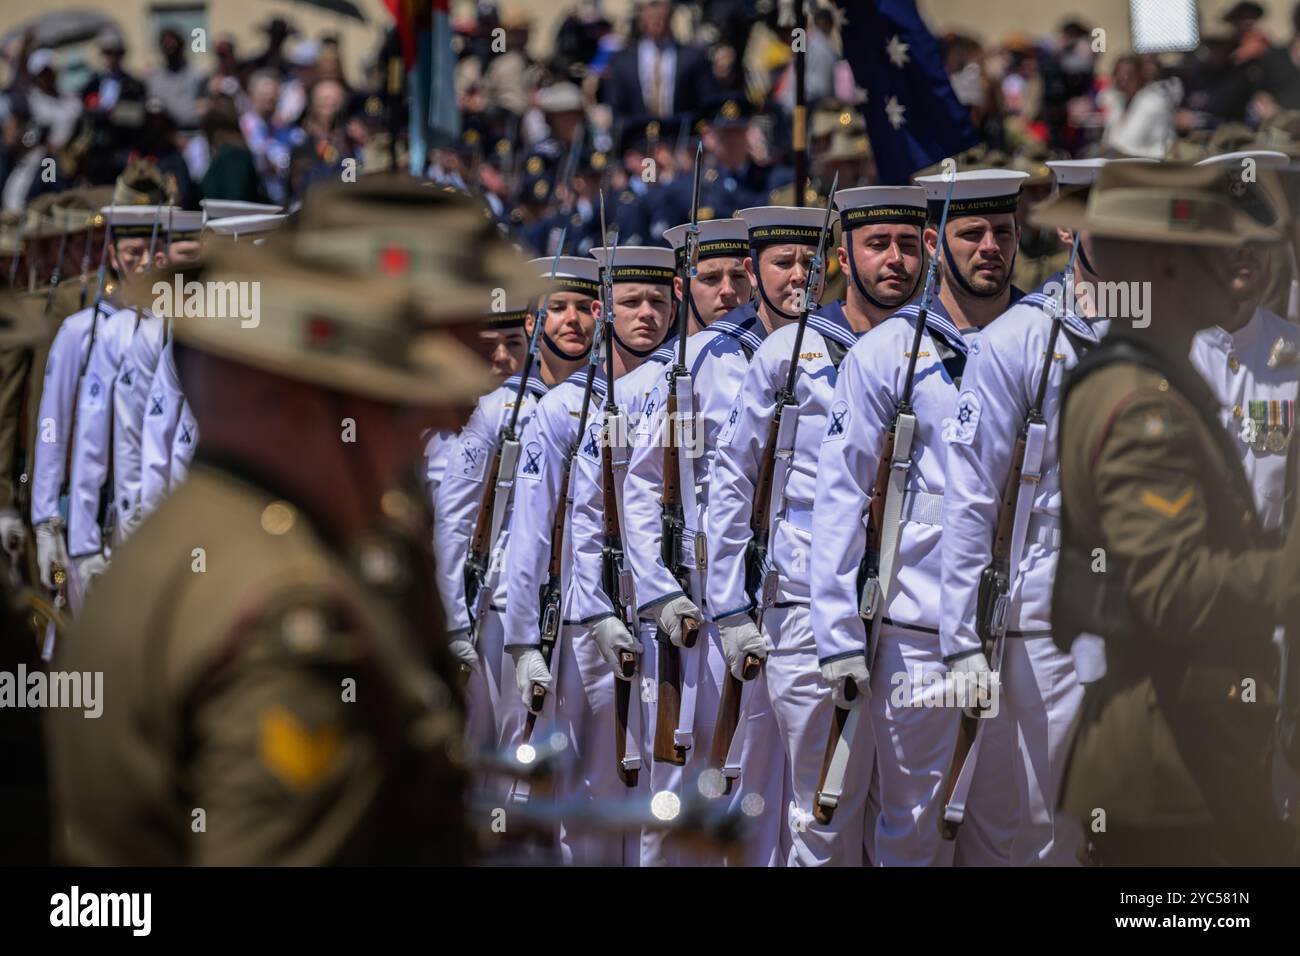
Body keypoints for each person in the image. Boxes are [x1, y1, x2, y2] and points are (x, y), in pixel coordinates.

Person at [43, 180, 534, 865]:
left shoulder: (210, 535)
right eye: (398, 400)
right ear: (304, 395)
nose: (441, 423)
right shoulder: (288, 608)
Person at [1037, 159, 1300, 866]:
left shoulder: (1148, 376)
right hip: (1172, 761)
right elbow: (1173, 588)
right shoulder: (1142, 402)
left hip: (1192, 746)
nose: (1237, 266)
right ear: (1169, 269)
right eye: (1212, 251)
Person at [811, 170, 1030, 867]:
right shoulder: (885, 356)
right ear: (939, 243)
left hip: (1024, 627)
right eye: (972, 233)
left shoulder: (1046, 344)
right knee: (913, 831)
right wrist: (838, 634)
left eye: (1002, 232)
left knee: (1014, 833)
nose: (989, 247)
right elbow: (840, 497)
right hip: (919, 627)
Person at [709, 187, 926, 866]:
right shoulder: (789, 354)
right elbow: (734, 480)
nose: (895, 259)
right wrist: (729, 605)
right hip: (805, 603)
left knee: (907, 815)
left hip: (913, 608)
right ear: (843, 258)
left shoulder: (943, 351)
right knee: (822, 811)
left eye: (909, 244)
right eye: (877, 244)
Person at [938, 158, 1113, 868]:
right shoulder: (1020, 340)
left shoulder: (1177, 332)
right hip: (1049, 621)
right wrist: (960, 641)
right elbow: (971, 496)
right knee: (1038, 826)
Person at [434, 257, 597, 795]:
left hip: (585, 607)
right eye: (557, 309)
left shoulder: (607, 401)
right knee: (506, 764)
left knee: (577, 767)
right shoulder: (494, 410)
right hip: (506, 606)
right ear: (534, 324)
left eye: (584, 308)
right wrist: (455, 622)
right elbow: (456, 522)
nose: (572, 321)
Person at [600, 0, 709, 123]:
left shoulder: (692, 57)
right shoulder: (622, 61)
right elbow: (616, 108)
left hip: (681, 135)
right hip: (638, 137)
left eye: (660, 15)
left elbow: (705, 103)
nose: (656, 21)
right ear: (641, 18)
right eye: (651, 13)